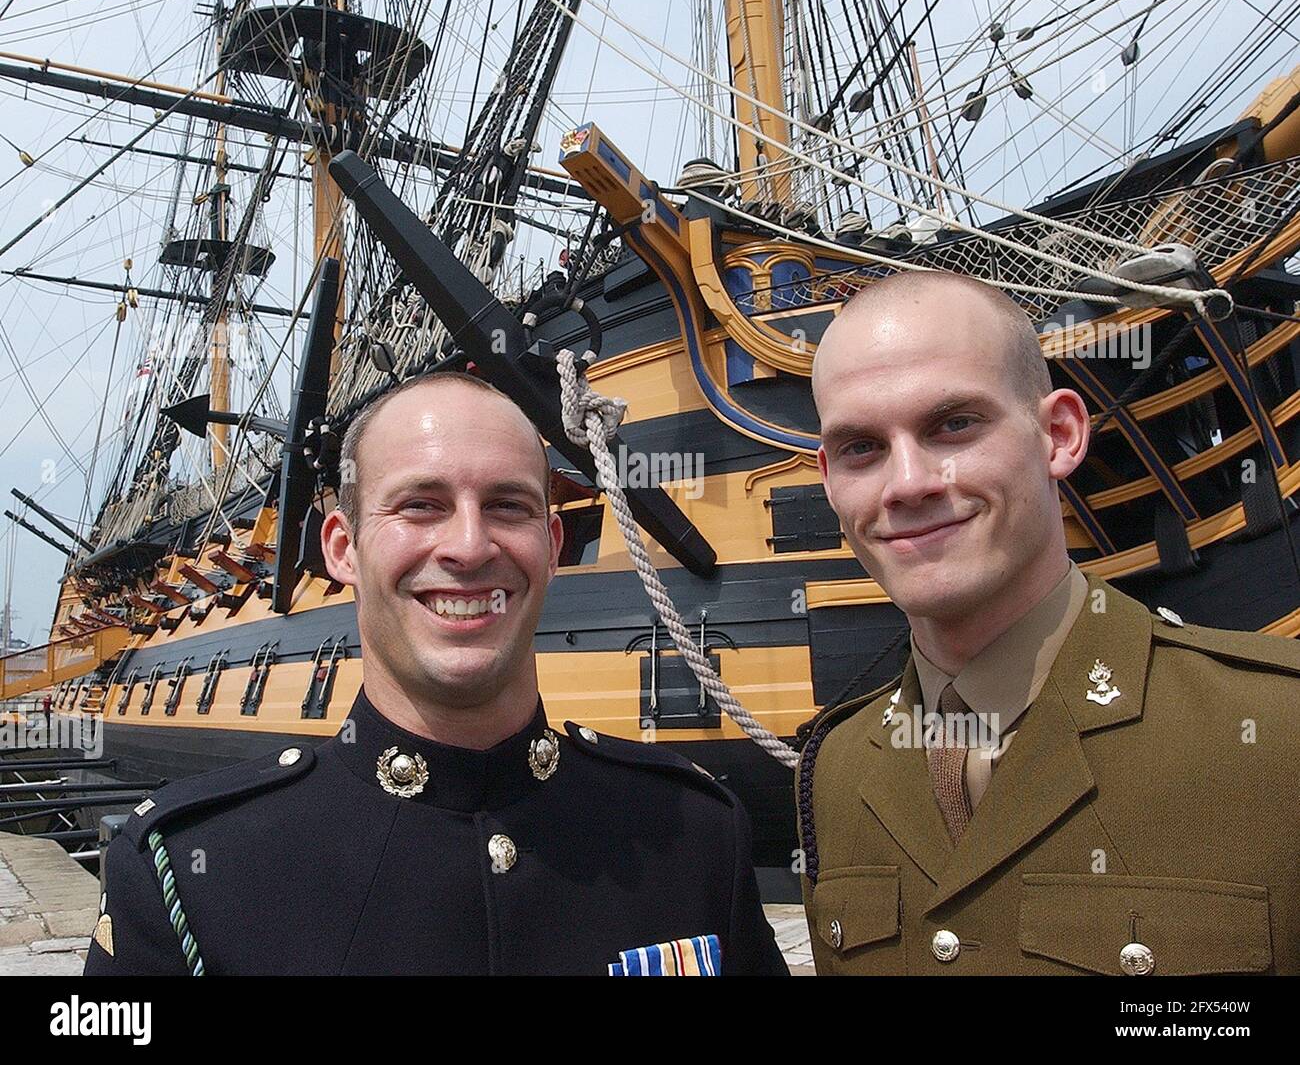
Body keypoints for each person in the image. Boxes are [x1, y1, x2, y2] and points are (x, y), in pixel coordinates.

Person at [87, 372, 786, 976]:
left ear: (550, 546)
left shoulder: (696, 837)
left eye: (508, 505)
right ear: (342, 548)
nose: (469, 545)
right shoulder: (188, 868)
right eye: (421, 504)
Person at [798, 270, 1299, 975]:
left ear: (1059, 434)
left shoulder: (1279, 734)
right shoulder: (835, 774)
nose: (906, 483)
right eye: (861, 448)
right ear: (829, 480)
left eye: (953, 424)